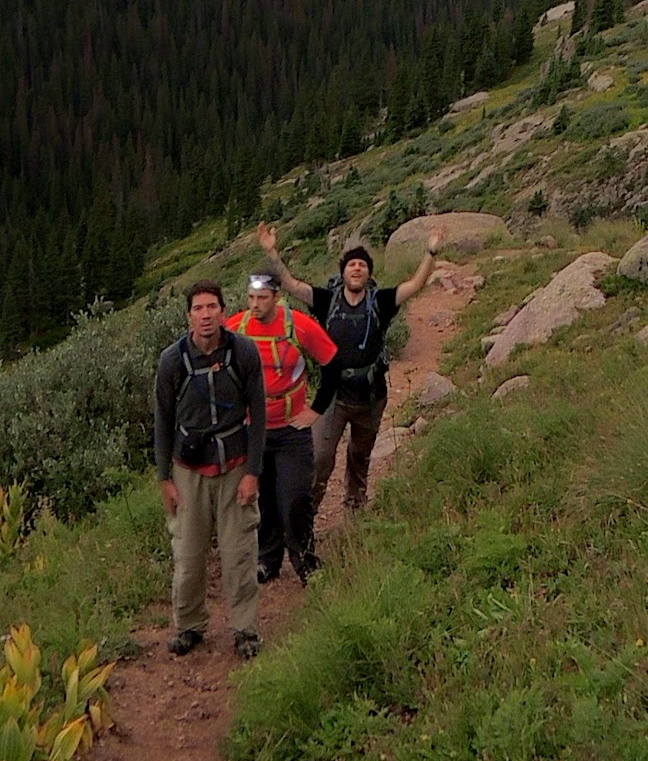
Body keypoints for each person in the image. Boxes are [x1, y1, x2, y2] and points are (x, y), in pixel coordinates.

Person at [258, 221, 441, 513]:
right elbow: (291, 285)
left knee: (360, 456)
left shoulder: (380, 301)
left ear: (369, 274)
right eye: (351, 265)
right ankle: (307, 514)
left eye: (362, 265)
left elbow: (415, 286)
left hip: (371, 396)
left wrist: (430, 253)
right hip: (334, 397)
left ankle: (355, 509)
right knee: (320, 457)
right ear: (343, 272)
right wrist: (272, 253)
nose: (356, 268)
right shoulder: (326, 300)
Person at [153, 279, 267, 660]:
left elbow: (259, 414)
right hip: (188, 470)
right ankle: (189, 625)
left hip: (235, 465)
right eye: (198, 309)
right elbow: (163, 420)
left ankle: (245, 628)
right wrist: (164, 479)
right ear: (189, 316)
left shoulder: (244, 353)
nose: (206, 315)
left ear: (223, 311)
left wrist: (253, 471)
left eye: (212, 307)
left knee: (239, 552)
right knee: (188, 555)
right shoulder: (172, 361)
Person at [226, 270, 339, 586]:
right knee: (262, 501)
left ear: (277, 297)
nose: (255, 305)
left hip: (291, 429)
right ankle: (267, 560)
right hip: (253, 429)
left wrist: (315, 410)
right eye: (251, 298)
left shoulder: (298, 326)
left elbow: (332, 364)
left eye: (262, 298)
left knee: (295, 497)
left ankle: (305, 561)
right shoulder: (236, 328)